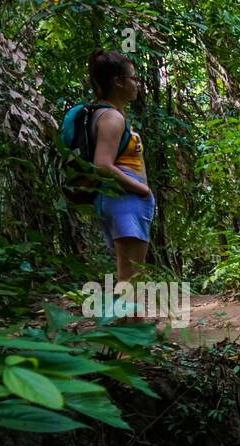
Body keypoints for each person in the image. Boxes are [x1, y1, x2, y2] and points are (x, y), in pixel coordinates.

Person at [87, 49, 153, 284]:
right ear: (117, 81)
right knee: (131, 275)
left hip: (117, 200)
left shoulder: (102, 114)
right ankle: (132, 321)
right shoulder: (112, 118)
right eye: (133, 79)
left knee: (128, 273)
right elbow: (102, 166)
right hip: (124, 200)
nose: (137, 84)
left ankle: (131, 319)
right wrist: (141, 190)